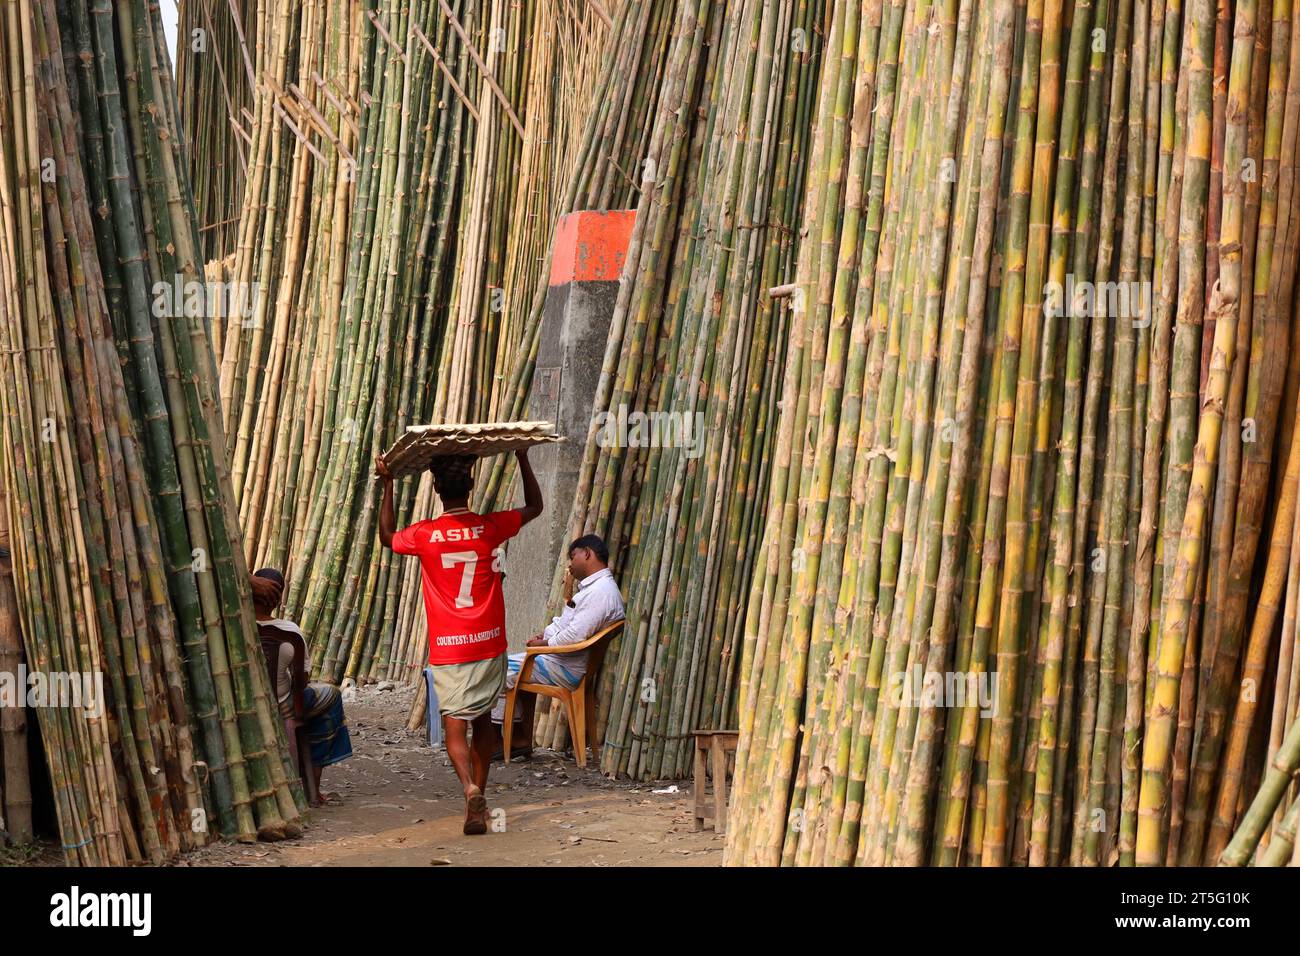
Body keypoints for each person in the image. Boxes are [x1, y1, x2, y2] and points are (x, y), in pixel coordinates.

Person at [376, 449, 542, 835]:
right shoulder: (490, 527)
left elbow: (386, 536)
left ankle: (467, 787)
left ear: (436, 489)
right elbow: (535, 505)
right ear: (470, 485)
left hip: (449, 646)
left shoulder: (424, 534)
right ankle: (479, 802)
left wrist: (388, 485)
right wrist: (521, 456)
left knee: (455, 726)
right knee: (484, 720)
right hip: (488, 642)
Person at [490, 534, 624, 758]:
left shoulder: (601, 593)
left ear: (587, 554)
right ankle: (520, 739)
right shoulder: (594, 589)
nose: (570, 564)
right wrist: (546, 634)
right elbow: (567, 623)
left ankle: (496, 741)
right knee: (514, 666)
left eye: (573, 557)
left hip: (564, 666)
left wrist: (544, 643)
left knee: (496, 669)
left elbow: (575, 635)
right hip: (562, 661)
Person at [250, 567, 353, 805]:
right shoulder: (289, 632)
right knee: (332, 698)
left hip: (242, 705)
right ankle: (312, 787)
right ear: (277, 599)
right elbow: (302, 681)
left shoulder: (235, 625)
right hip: (282, 705)